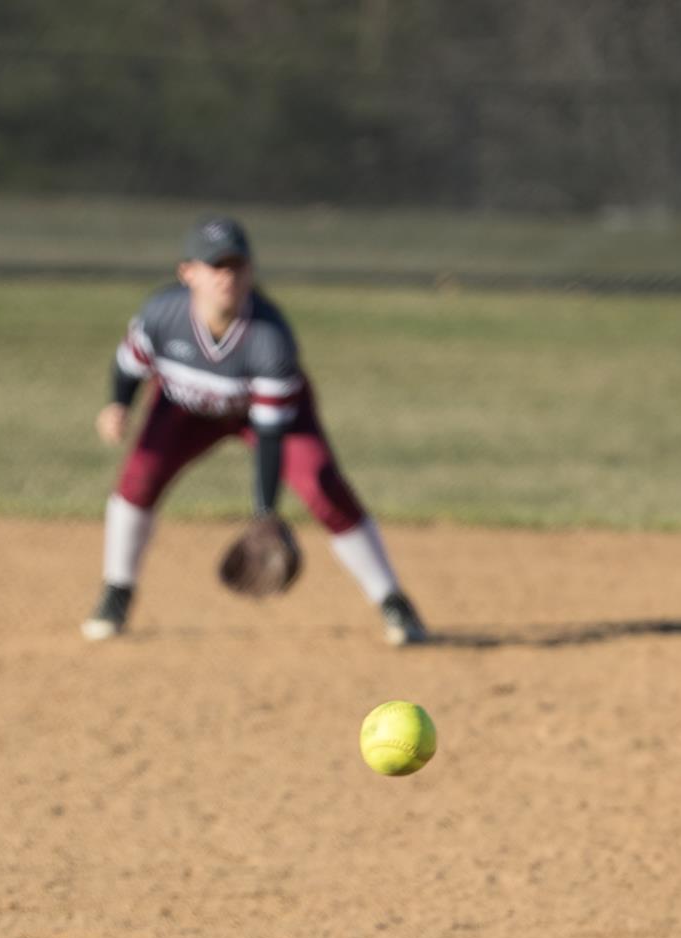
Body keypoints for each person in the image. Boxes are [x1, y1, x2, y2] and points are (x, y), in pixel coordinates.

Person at [82, 216, 429, 647]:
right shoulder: (161, 315)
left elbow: (269, 434)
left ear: (251, 271)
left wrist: (265, 511)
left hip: (270, 418)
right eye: (215, 266)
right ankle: (117, 591)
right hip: (183, 409)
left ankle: (392, 600)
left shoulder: (270, 338)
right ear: (187, 272)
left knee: (323, 487)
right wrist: (118, 404)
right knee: (139, 478)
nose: (228, 276)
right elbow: (128, 365)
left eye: (237, 265)